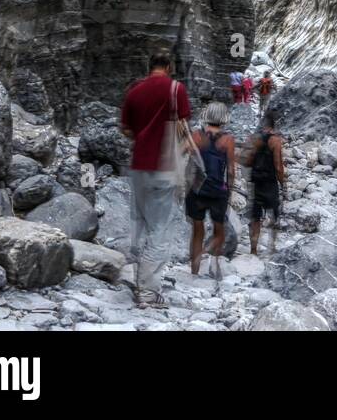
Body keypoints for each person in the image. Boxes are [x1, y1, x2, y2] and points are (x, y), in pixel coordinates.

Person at [120, 51, 190, 306]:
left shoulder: (134, 92)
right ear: (169, 67)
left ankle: (137, 277)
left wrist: (142, 137)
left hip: (138, 166)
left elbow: (126, 128)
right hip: (163, 167)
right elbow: (182, 123)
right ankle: (148, 292)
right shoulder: (175, 89)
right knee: (159, 229)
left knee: (140, 223)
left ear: (149, 66)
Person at [186, 102, 237, 278]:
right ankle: (211, 261)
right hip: (218, 191)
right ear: (223, 119)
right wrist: (229, 191)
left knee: (197, 230)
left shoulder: (196, 135)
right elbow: (230, 170)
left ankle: (194, 270)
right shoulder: (228, 140)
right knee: (219, 231)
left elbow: (186, 155)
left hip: (197, 189)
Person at [241, 108, 287, 256]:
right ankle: (271, 247)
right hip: (270, 182)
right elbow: (278, 166)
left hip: (256, 182)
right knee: (273, 213)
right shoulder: (276, 141)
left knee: (255, 216)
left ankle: (253, 249)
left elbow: (247, 162)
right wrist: (282, 184)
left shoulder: (255, 139)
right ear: (274, 125)